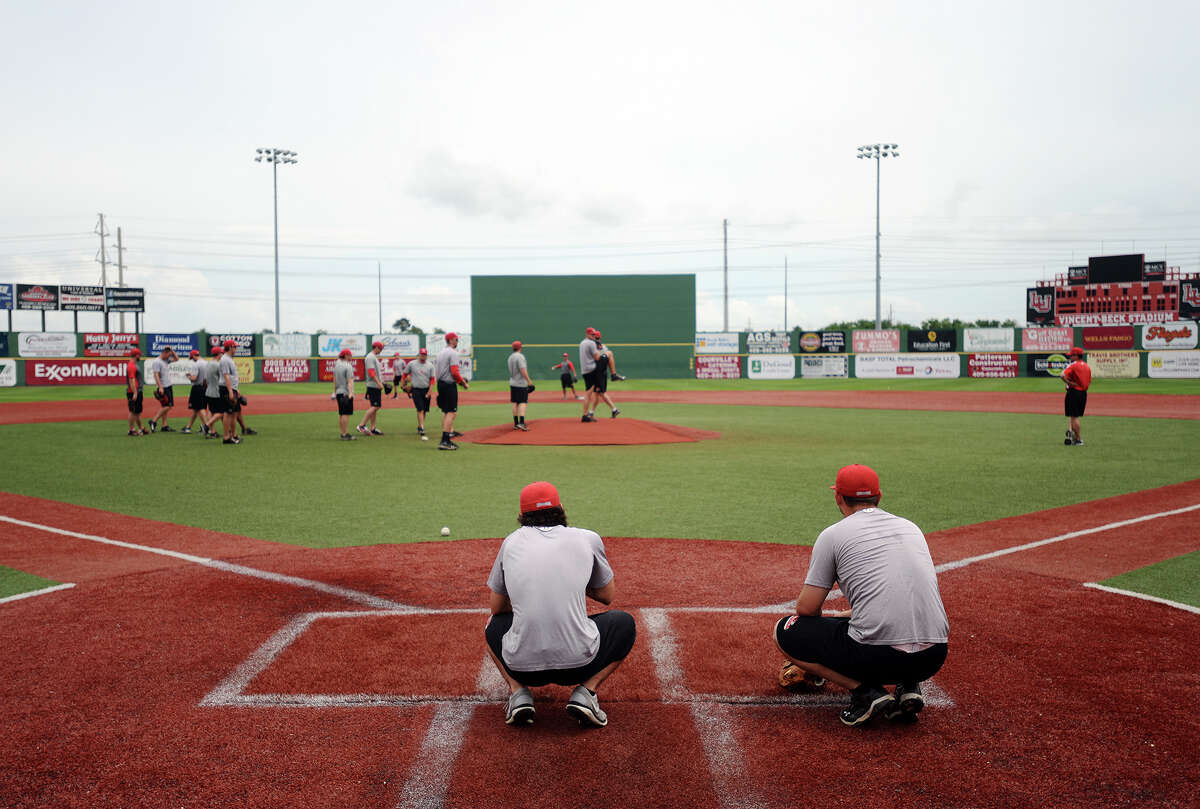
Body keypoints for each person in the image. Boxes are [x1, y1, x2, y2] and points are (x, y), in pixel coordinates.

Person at [774, 464, 949, 727]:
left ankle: (866, 693)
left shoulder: (833, 535)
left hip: (877, 659)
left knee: (784, 631)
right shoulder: (911, 528)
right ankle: (908, 686)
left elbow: (807, 609)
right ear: (879, 496)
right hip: (933, 658)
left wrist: (820, 641)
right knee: (897, 622)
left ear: (838, 497)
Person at [484, 481, 636, 728]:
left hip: (523, 668)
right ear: (561, 508)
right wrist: (571, 582)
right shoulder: (588, 538)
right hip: (580, 665)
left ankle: (519, 693)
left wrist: (530, 593)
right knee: (624, 623)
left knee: (493, 624)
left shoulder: (510, 543)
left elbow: (497, 608)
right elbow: (607, 595)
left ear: (522, 515)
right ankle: (586, 693)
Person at [434, 332, 470, 451]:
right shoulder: (453, 353)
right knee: (452, 412)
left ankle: (447, 436)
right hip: (448, 385)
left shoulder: (440, 353)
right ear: (450, 340)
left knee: (446, 412)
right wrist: (463, 383)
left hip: (441, 384)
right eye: (456, 339)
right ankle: (445, 441)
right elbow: (454, 372)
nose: (457, 341)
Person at [401, 347, 434, 441]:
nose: (423, 356)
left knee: (425, 410)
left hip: (426, 389)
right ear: (419, 355)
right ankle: (422, 428)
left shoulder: (430, 365)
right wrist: (403, 385)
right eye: (421, 354)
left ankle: (420, 426)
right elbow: (404, 374)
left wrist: (430, 391)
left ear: (426, 355)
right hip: (416, 390)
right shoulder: (412, 364)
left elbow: (432, 380)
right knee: (420, 409)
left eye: (424, 355)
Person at [1062, 346, 1091, 446]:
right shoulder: (1087, 366)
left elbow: (1062, 375)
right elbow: (1088, 381)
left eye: (1071, 356)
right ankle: (1073, 435)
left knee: (1074, 417)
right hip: (1083, 393)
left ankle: (1078, 439)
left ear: (1076, 356)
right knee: (1074, 415)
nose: (1070, 357)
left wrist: (1069, 383)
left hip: (1073, 392)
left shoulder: (1073, 365)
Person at [357, 340, 386, 436]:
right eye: (380, 348)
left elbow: (376, 373)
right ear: (376, 348)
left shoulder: (373, 357)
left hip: (375, 385)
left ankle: (373, 428)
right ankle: (361, 425)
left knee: (374, 406)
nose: (381, 350)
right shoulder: (370, 357)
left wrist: (382, 382)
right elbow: (371, 372)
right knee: (376, 406)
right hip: (373, 385)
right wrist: (379, 383)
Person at [590, 331, 621, 418]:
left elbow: (598, 357)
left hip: (598, 372)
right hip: (602, 371)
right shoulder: (603, 346)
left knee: (600, 392)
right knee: (597, 393)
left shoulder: (594, 344)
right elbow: (607, 359)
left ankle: (614, 409)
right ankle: (592, 412)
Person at [148, 346, 178, 433]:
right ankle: (153, 421)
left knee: (165, 406)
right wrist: (160, 387)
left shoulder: (165, 360)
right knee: (168, 406)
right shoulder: (157, 362)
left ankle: (164, 426)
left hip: (168, 385)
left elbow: (177, 359)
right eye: (169, 355)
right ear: (164, 353)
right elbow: (156, 375)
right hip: (163, 387)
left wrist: (171, 350)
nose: (169, 356)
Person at [217, 340, 241, 445]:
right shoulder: (225, 360)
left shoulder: (229, 359)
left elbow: (231, 376)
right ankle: (226, 437)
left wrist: (235, 389)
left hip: (231, 388)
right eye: (235, 347)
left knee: (232, 413)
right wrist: (230, 391)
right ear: (230, 347)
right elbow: (226, 376)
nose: (236, 349)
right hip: (226, 389)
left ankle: (232, 436)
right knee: (227, 413)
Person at [182, 349, 210, 435]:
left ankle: (207, 427)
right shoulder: (206, 363)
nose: (192, 359)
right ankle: (188, 427)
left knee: (200, 408)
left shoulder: (196, 364)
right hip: (205, 387)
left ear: (194, 356)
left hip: (197, 388)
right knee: (196, 408)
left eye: (192, 357)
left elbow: (194, 378)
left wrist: (189, 376)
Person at [508, 340, 533, 431]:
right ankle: (522, 423)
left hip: (513, 382)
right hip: (521, 383)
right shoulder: (520, 356)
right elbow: (523, 370)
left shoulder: (510, 357)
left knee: (515, 402)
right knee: (522, 402)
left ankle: (516, 423)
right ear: (520, 347)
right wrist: (529, 381)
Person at [332, 347, 357, 441]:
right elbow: (350, 381)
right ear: (346, 356)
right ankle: (345, 434)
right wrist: (351, 394)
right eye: (350, 355)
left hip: (339, 392)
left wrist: (335, 392)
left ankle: (343, 433)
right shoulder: (348, 366)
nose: (351, 356)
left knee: (341, 413)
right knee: (345, 414)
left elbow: (334, 380)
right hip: (345, 392)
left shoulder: (337, 365)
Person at [202, 346, 225, 439]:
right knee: (222, 412)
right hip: (216, 392)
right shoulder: (218, 365)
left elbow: (205, 380)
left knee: (211, 411)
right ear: (219, 354)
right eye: (221, 353)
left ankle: (212, 432)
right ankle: (206, 425)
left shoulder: (208, 364)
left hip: (208, 391)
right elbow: (223, 378)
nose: (222, 354)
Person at [124, 347, 146, 436]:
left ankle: (141, 428)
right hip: (134, 392)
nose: (140, 357)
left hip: (137, 391)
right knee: (133, 412)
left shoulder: (133, 365)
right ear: (136, 355)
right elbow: (131, 380)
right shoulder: (131, 366)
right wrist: (135, 393)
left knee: (138, 412)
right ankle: (131, 430)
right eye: (139, 355)